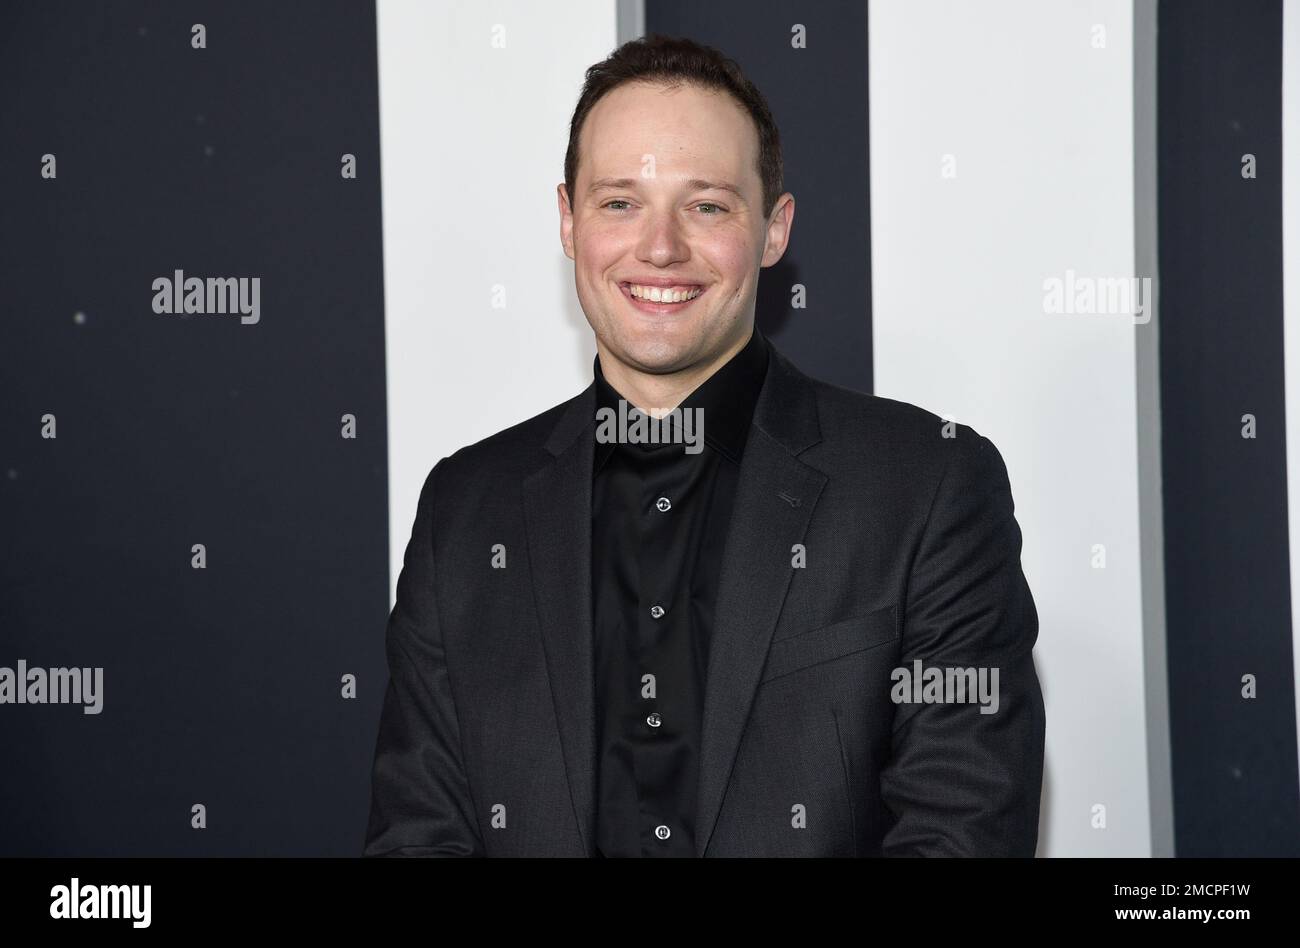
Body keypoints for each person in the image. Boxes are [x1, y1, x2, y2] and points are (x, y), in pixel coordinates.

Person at [363, 33, 1044, 857]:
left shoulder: (927, 485)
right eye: (619, 202)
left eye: (707, 205)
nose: (659, 248)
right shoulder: (464, 509)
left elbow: (960, 830)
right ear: (568, 223)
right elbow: (419, 836)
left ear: (772, 230)